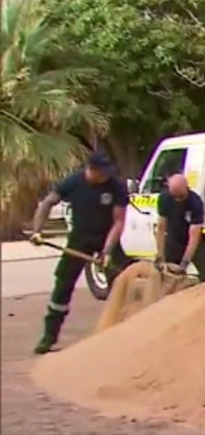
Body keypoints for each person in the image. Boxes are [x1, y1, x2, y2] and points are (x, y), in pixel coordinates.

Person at [28, 150, 132, 354]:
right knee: (63, 284)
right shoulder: (73, 183)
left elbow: (119, 221)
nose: (106, 176)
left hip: (107, 237)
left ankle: (125, 332)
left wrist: (107, 251)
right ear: (91, 170)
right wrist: (37, 231)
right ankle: (49, 336)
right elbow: (48, 203)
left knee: (123, 281)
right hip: (79, 239)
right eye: (102, 172)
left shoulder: (116, 186)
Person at [155, 174, 205, 281]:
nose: (177, 199)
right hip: (173, 241)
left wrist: (185, 262)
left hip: (194, 242)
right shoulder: (164, 199)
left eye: (180, 196)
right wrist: (160, 256)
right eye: (174, 196)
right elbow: (161, 228)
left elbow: (194, 235)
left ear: (187, 188)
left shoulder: (195, 202)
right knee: (168, 276)